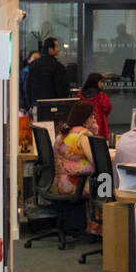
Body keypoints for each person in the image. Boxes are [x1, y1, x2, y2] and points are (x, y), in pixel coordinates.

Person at [52, 100, 100, 235]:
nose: (94, 119)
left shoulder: (63, 131)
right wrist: (95, 135)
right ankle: (98, 229)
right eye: (92, 116)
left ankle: (91, 225)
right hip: (75, 183)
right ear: (85, 118)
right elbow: (96, 159)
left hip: (58, 182)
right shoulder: (83, 134)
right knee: (106, 180)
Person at [28, 36, 70, 107]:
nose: (58, 49)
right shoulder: (57, 66)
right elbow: (61, 88)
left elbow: (28, 86)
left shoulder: (33, 65)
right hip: (53, 105)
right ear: (50, 49)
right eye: (57, 47)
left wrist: (30, 104)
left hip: (36, 104)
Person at [78, 72, 113, 138]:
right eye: (100, 82)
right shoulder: (101, 95)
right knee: (98, 141)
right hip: (98, 122)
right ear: (97, 82)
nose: (101, 84)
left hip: (84, 122)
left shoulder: (80, 95)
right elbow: (107, 108)